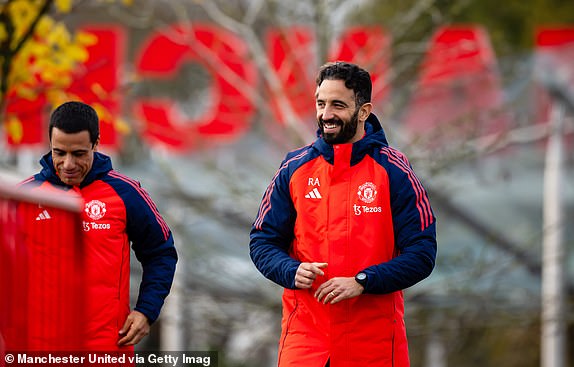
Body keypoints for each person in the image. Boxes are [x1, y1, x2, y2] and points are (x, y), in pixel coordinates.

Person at [249, 62, 437, 367]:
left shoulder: (394, 170)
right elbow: (262, 241)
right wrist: (289, 269)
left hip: (373, 345)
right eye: (321, 103)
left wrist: (364, 281)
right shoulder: (293, 167)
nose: (326, 114)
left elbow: (423, 254)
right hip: (304, 340)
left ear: (363, 111)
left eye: (338, 105)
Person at [19, 101, 178, 351]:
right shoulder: (23, 197)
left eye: (79, 154)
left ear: (96, 143)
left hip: (106, 348)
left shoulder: (126, 193)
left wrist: (146, 310)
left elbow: (161, 253)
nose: (68, 164)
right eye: (59, 152)